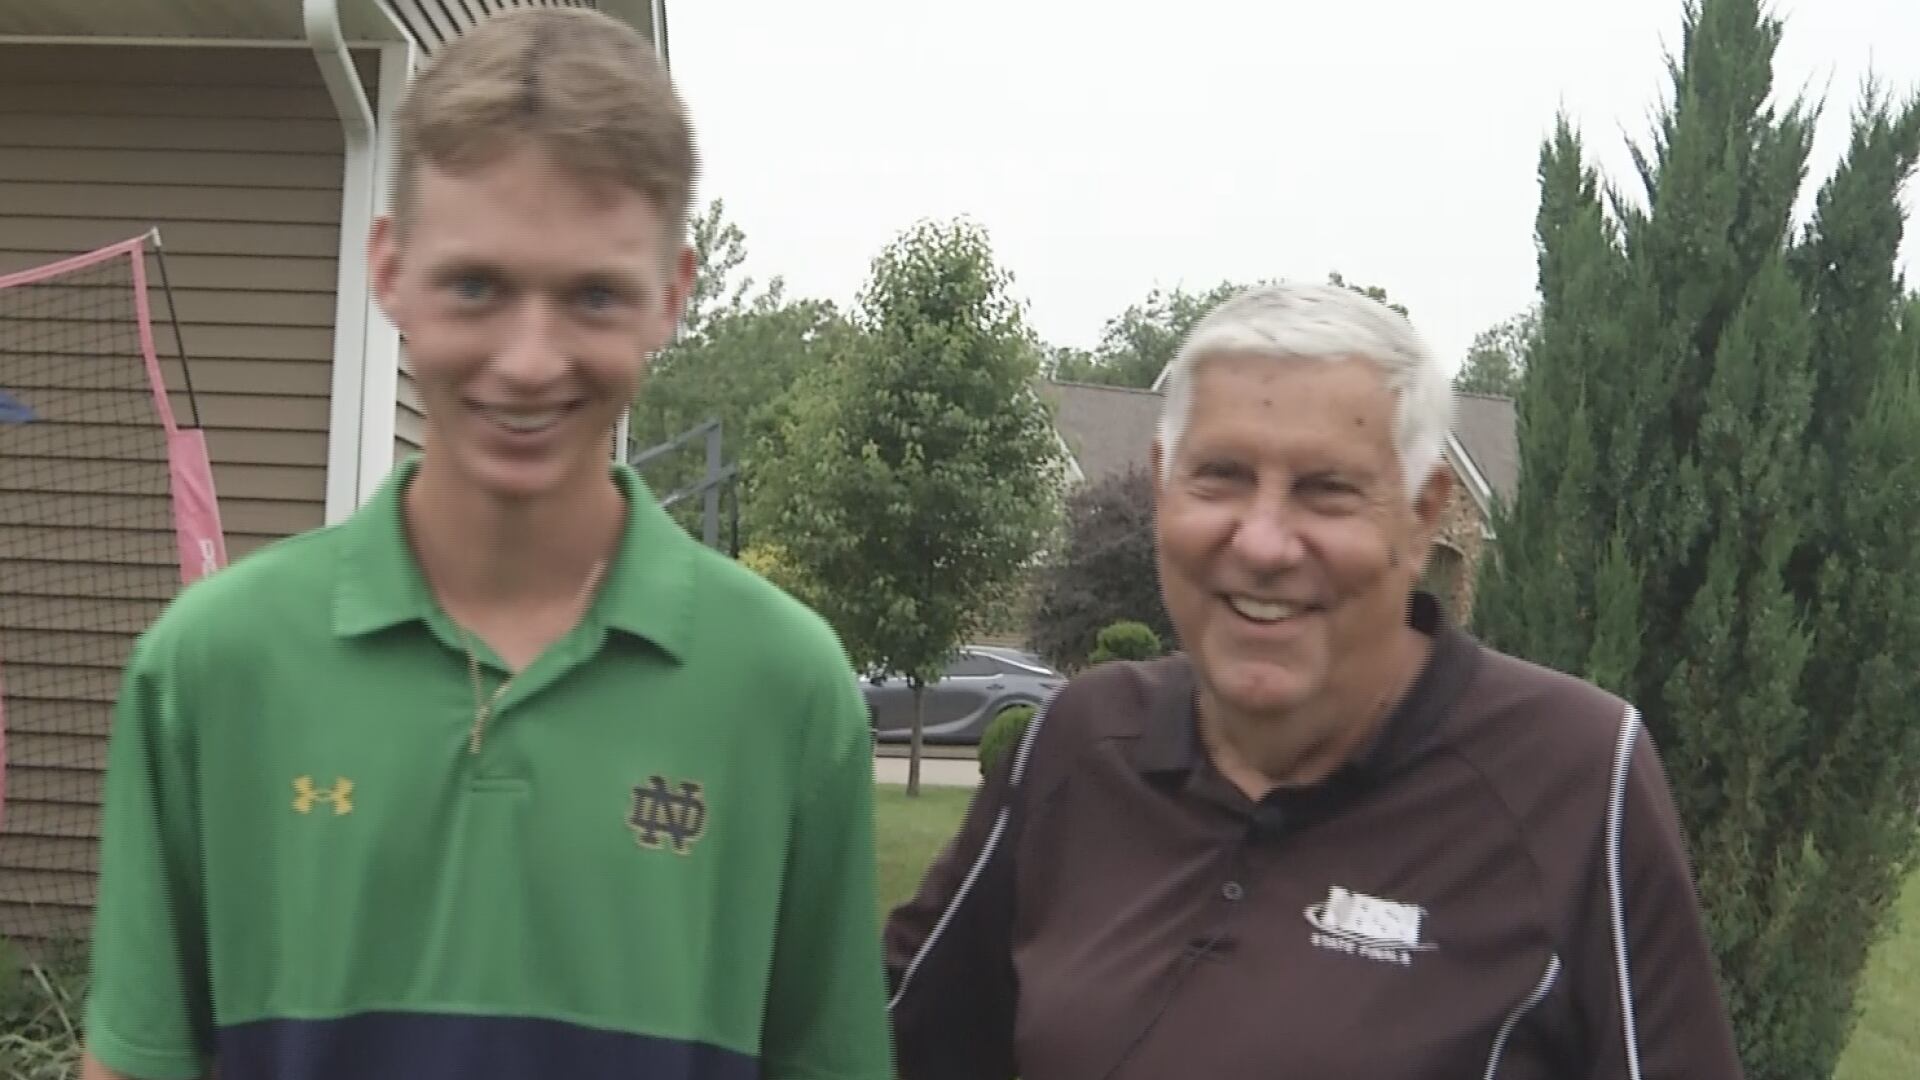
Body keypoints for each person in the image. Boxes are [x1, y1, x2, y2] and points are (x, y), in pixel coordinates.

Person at [79, 10, 893, 1080]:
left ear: (672, 296)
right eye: (477, 286)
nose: (527, 359)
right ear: (392, 269)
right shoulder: (211, 669)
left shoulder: (786, 691)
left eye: (593, 294)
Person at [884, 282, 1746, 1079]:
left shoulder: (1575, 775)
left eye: (1326, 491)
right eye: (1221, 477)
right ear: (1161, 488)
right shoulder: (1081, 742)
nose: (1262, 542)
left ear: (1422, 518)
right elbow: (889, 1037)